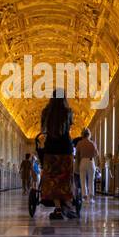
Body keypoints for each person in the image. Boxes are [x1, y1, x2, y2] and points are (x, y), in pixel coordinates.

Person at [39, 90, 76, 218]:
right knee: (65, 179)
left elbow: (42, 129)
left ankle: (58, 208)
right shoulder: (68, 112)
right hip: (66, 148)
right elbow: (69, 126)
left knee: (52, 180)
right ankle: (67, 203)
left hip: (51, 149)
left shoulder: (46, 112)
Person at [74, 128, 99, 202]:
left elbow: (77, 155)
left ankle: (84, 197)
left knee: (82, 180)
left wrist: (77, 165)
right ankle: (90, 198)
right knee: (91, 180)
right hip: (91, 161)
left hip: (82, 161)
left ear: (82, 134)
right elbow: (96, 154)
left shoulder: (79, 143)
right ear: (89, 134)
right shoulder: (92, 143)